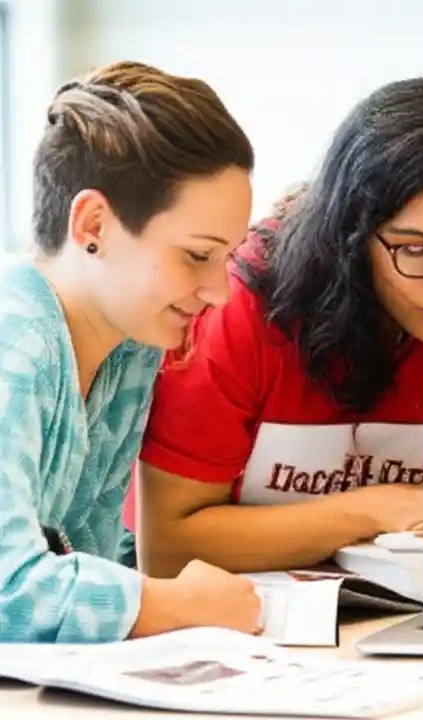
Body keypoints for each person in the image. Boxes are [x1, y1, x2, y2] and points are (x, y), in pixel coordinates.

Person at [133, 76, 423, 577]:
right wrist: (373, 509)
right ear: (352, 239)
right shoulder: (243, 304)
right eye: (416, 250)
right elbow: (166, 548)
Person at [0, 60, 261, 642]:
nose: (219, 292)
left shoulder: (132, 350)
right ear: (93, 223)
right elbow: (7, 591)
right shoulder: (12, 339)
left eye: (228, 259)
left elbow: (86, 553)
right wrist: (179, 604)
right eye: (197, 255)